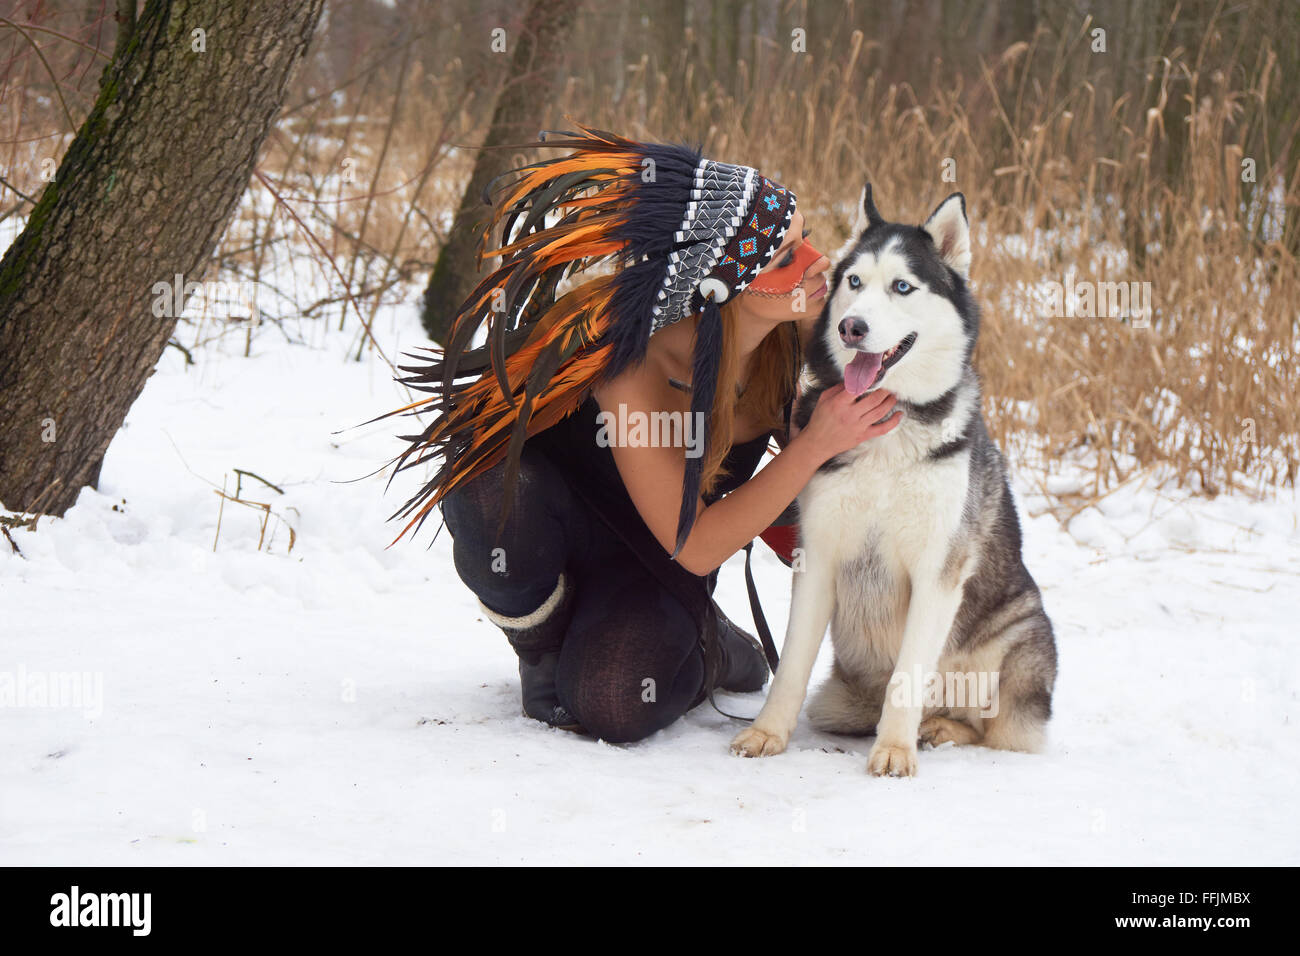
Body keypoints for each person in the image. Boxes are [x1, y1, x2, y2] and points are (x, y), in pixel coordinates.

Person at [383, 126, 901, 743]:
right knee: (486, 485)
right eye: (785, 256)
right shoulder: (630, 365)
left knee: (614, 704)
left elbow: (793, 512)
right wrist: (816, 443)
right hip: (581, 533)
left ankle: (708, 645)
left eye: (807, 239)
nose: (820, 264)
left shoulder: (807, 339)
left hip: (662, 572)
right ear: (720, 286)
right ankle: (543, 649)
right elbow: (700, 542)